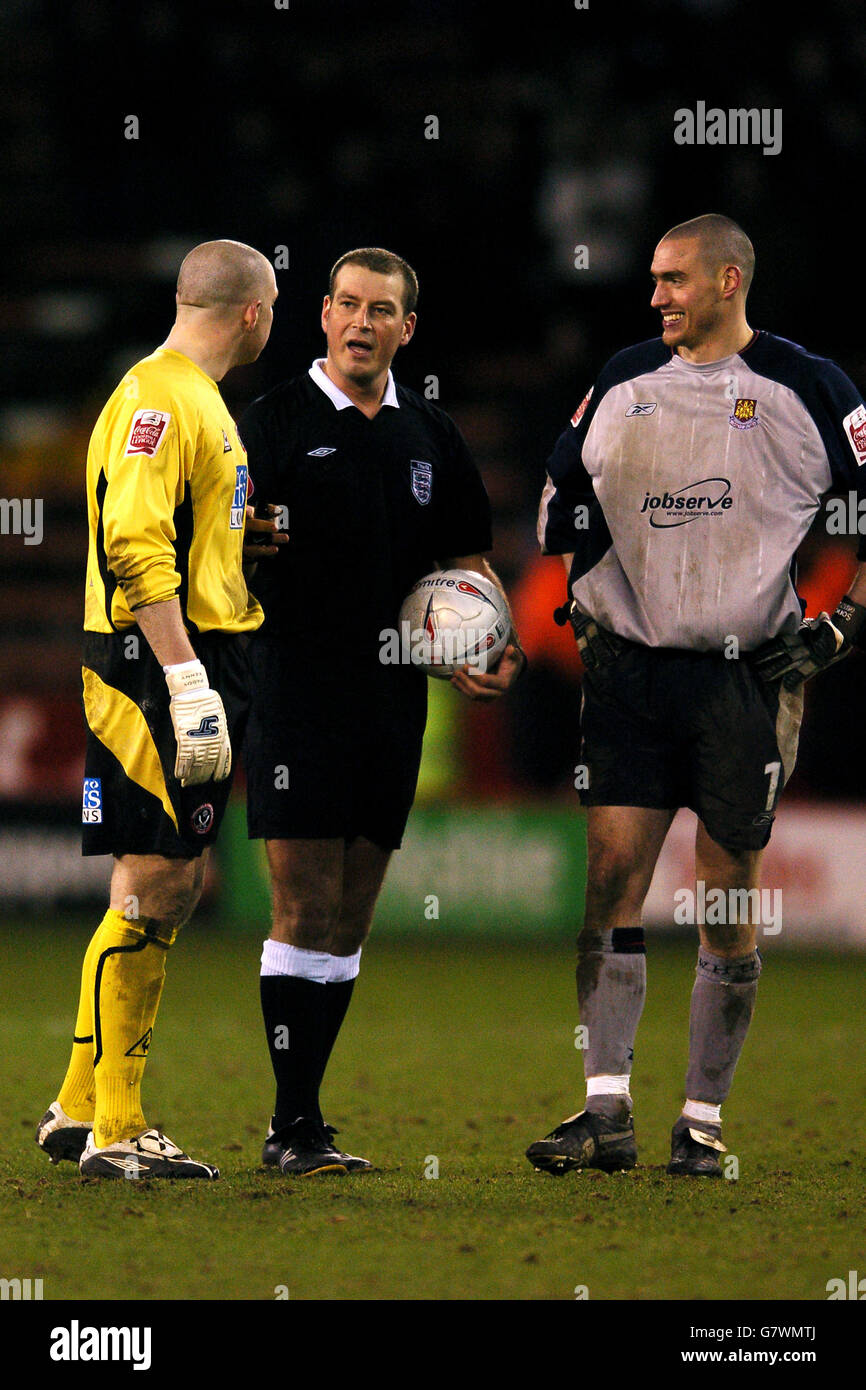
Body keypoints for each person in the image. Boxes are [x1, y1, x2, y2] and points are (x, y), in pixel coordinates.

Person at [528, 213, 866, 1177]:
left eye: (673, 280)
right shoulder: (627, 378)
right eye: (651, 279)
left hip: (744, 677)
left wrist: (843, 623)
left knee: (726, 889)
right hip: (632, 672)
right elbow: (562, 504)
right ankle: (604, 1115)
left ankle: (702, 1123)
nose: (655, 297)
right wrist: (585, 601)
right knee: (610, 878)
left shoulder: (810, 387)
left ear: (728, 281)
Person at [240, 247, 525, 1175]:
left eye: (383, 309)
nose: (363, 322)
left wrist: (487, 645)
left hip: (394, 698)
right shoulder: (270, 423)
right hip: (296, 690)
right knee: (302, 901)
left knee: (351, 918)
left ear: (408, 328)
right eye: (348, 304)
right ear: (322, 313)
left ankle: (306, 1124)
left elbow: (469, 564)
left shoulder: (431, 436)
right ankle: (293, 1127)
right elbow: (215, 541)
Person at [36, 239, 281, 1179]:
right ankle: (119, 1130)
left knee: (161, 880)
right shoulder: (159, 397)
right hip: (156, 660)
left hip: (186, 649)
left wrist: (235, 539)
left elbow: (172, 533)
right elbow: (134, 544)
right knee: (157, 882)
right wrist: (185, 680)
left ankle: (79, 1106)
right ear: (255, 314)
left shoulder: (194, 397)